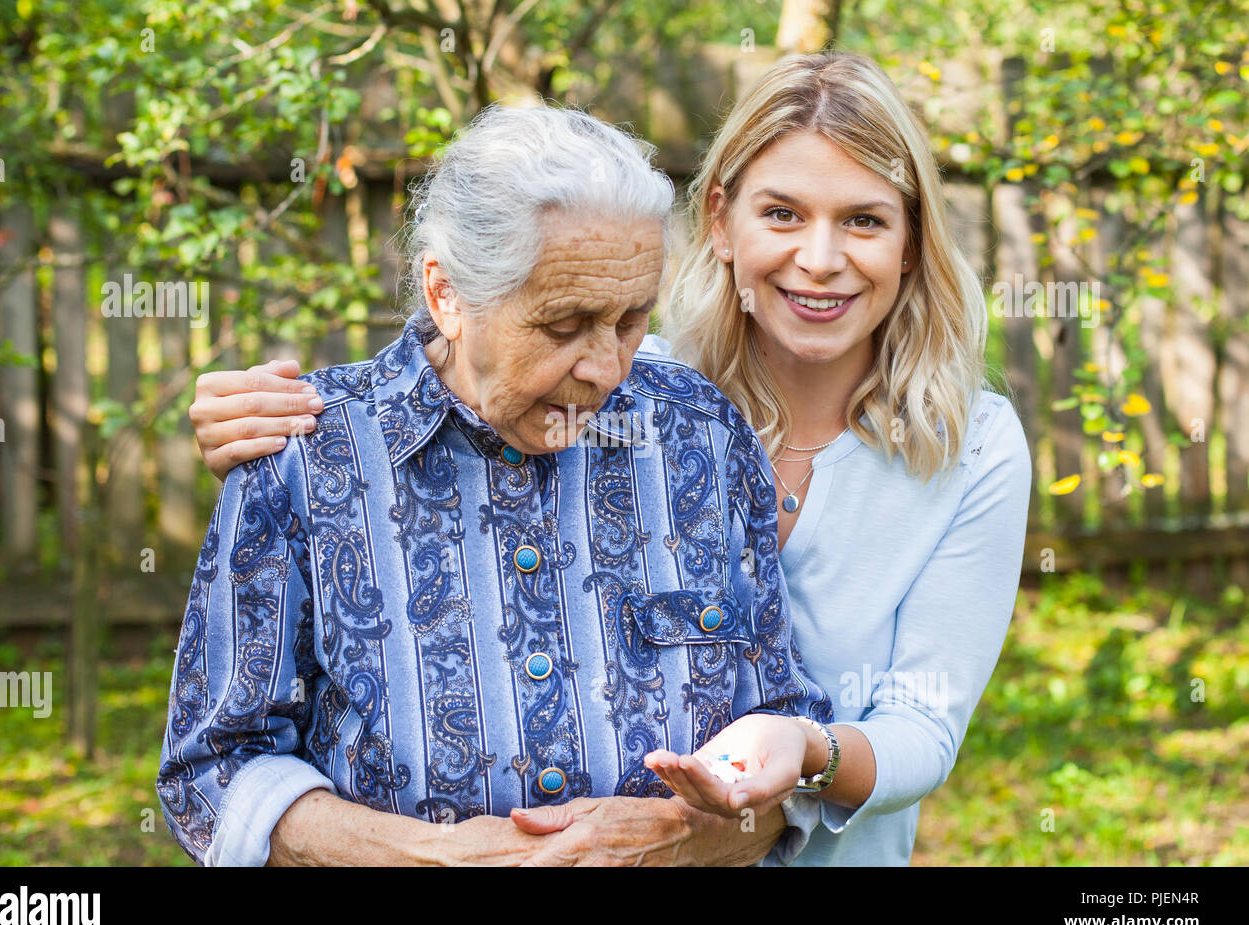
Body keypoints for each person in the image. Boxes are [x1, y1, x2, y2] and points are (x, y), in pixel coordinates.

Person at [188, 52, 1032, 866]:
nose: (603, 367)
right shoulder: (313, 449)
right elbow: (215, 763)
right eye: (782, 213)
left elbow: (907, 727)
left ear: (914, 241)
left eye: (863, 219)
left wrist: (767, 777)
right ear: (722, 224)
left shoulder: (700, 427)